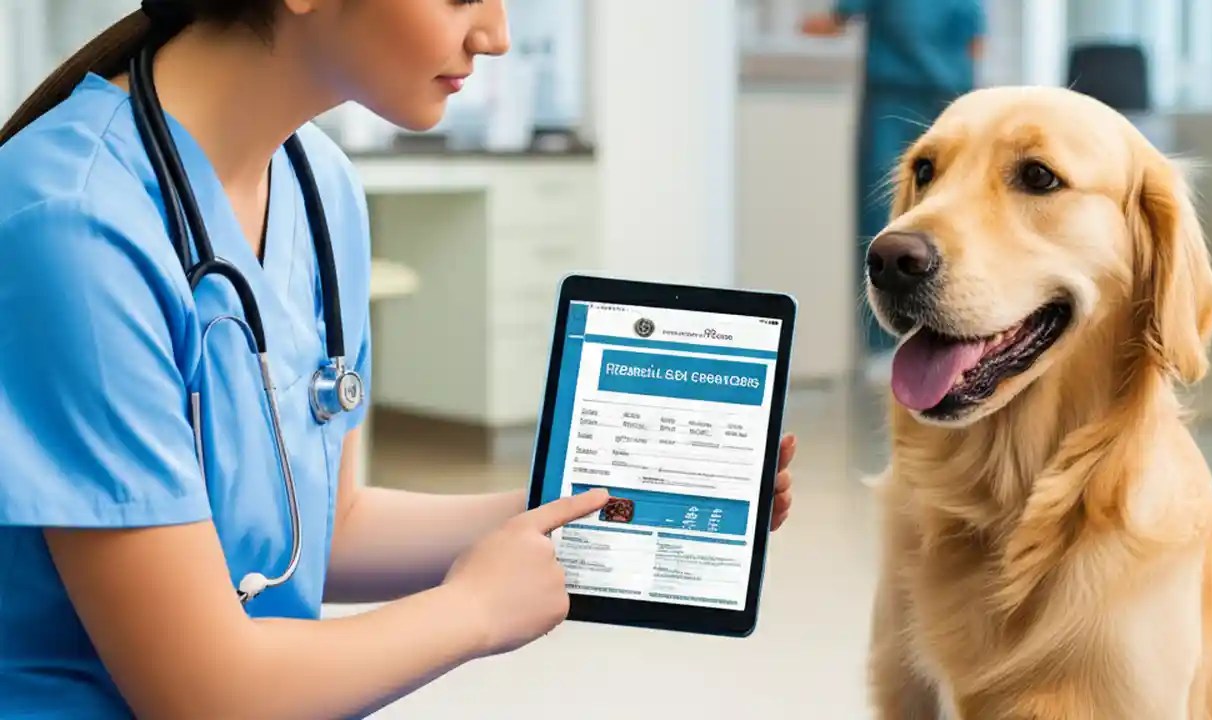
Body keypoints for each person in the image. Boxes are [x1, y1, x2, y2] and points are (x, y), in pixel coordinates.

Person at [0, 2, 799, 718]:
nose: (496, 35)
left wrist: (598, 504)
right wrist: (473, 612)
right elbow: (207, 693)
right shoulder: (74, 226)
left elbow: (331, 531)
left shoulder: (320, 186)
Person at [802, 0, 985, 383]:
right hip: (928, 90)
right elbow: (975, 40)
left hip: (924, 92)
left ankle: (916, 335)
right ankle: (892, 341)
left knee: (913, 214)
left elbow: (835, 20)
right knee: (903, 214)